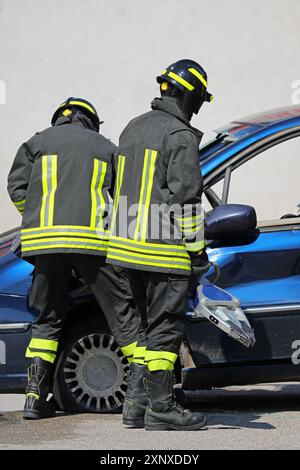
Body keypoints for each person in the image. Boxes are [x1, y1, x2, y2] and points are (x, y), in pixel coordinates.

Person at [7, 97, 140, 419]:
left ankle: (34, 399)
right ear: (90, 121)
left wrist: (37, 218)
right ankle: (145, 394)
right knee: (122, 313)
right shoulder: (105, 146)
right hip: (91, 243)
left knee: (47, 320)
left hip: (45, 245)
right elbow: (123, 195)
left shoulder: (36, 142)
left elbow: (16, 188)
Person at [106, 60, 213, 430]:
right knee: (166, 329)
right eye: (199, 99)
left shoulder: (132, 128)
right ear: (189, 95)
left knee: (147, 330)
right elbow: (187, 201)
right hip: (162, 249)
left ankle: (136, 407)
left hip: (125, 249)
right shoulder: (178, 135)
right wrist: (198, 252)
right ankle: (162, 408)